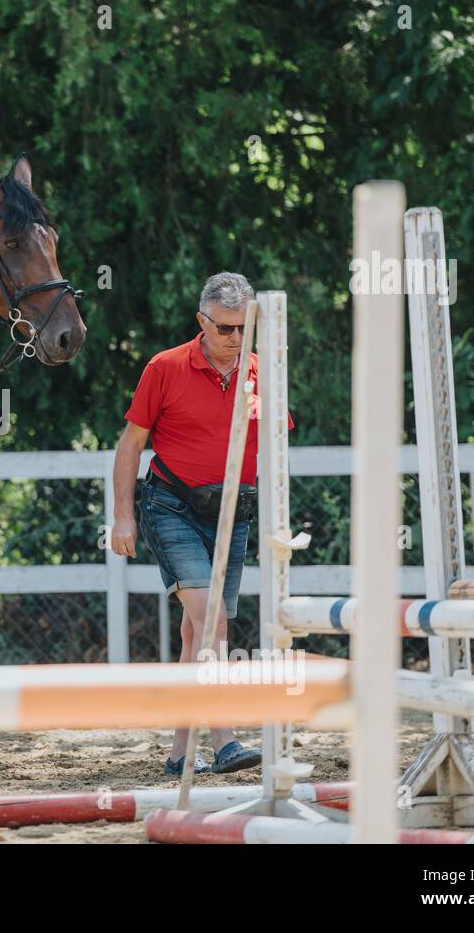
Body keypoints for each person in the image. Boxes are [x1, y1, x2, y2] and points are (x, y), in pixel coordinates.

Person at [110, 272, 294, 777]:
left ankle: (178, 754)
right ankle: (226, 740)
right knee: (212, 618)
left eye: (243, 328)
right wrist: (123, 515)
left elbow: (276, 448)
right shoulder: (164, 368)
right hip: (171, 506)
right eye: (226, 329)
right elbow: (131, 445)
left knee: (197, 634)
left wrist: (275, 521)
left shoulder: (261, 372)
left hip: (234, 512)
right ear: (202, 322)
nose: (235, 339)